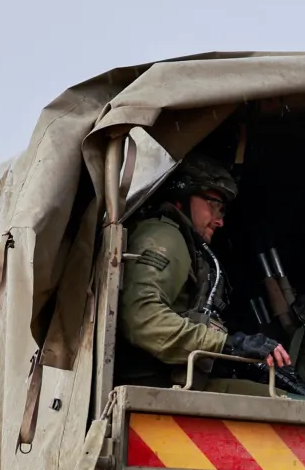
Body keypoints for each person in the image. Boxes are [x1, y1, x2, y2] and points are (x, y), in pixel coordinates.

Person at [115, 154, 289, 389]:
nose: (220, 221)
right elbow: (142, 318)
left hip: (177, 383)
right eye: (213, 205)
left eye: (222, 211)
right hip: (159, 386)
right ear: (183, 197)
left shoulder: (186, 244)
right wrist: (228, 344)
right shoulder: (164, 237)